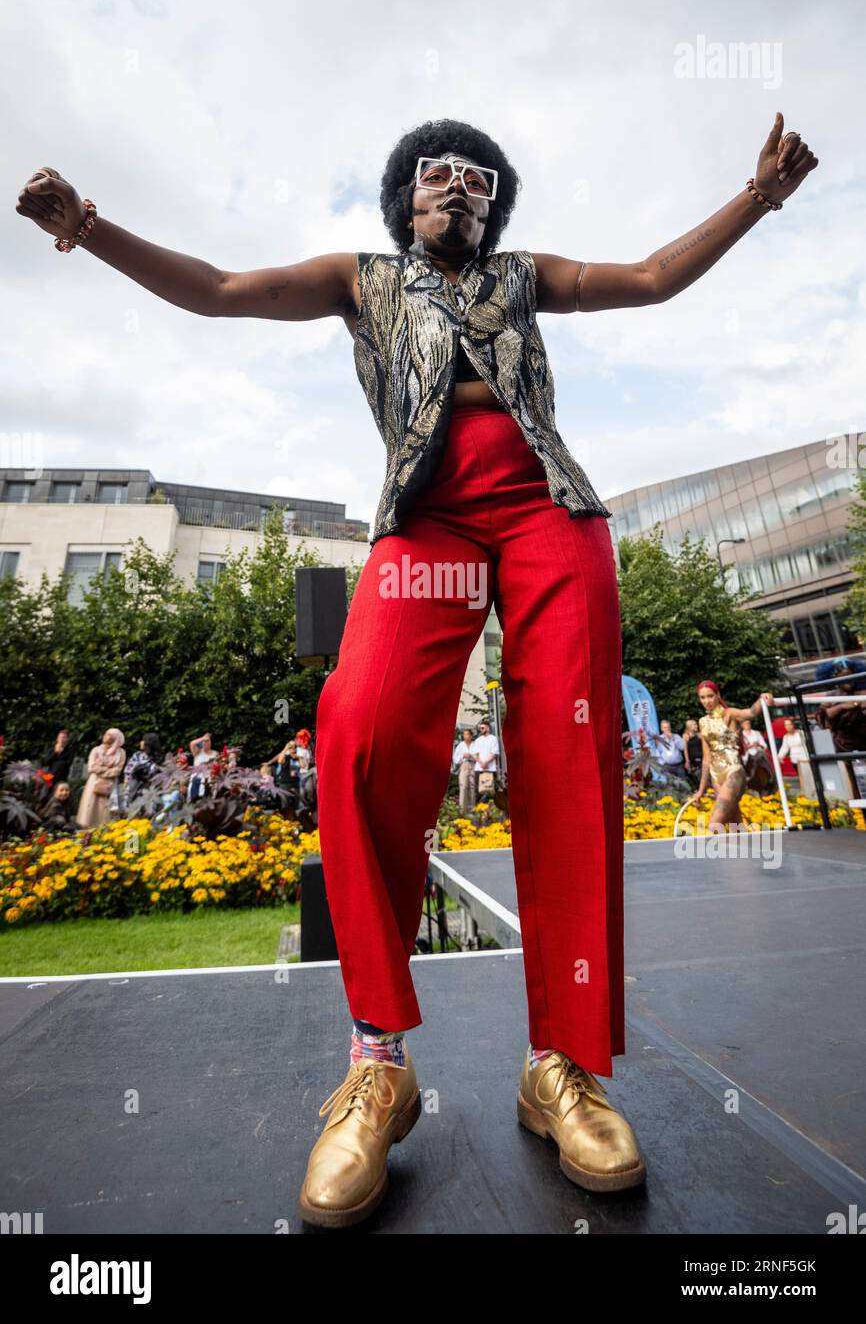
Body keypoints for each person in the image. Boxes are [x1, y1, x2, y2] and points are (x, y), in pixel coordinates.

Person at [16, 111, 819, 1225]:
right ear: (405, 196)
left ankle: (562, 1066)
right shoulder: (364, 279)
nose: (461, 189)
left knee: (567, 755)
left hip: (548, 513)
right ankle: (378, 1062)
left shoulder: (523, 278)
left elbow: (645, 277)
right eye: (440, 176)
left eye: (481, 181)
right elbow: (217, 288)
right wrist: (88, 228)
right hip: (427, 523)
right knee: (360, 728)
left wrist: (757, 198)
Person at [692, 682, 774, 830]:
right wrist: (701, 789)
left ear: (718, 696)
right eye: (702, 697)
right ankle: (748, 851)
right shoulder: (702, 722)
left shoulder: (729, 713)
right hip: (715, 776)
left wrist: (762, 699)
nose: (707, 701)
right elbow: (706, 758)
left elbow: (750, 712)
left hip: (733, 772)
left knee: (714, 825)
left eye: (710, 696)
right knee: (735, 825)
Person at [813, 658, 866, 799]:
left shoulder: (861, 692)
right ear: (835, 678)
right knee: (859, 788)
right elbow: (821, 717)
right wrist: (842, 706)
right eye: (843, 676)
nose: (848, 679)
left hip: (863, 742)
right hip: (846, 749)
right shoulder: (830, 697)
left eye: (850, 674)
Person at [76, 728, 126, 830]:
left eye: (108, 734)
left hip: (110, 786)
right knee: (90, 810)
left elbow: (117, 771)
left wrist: (101, 770)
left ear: (115, 738)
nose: (104, 736)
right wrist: (108, 771)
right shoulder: (96, 750)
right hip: (94, 783)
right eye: (105, 733)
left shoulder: (121, 753)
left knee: (105, 812)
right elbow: (91, 767)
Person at [124, 732, 163, 815]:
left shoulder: (159, 759)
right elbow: (128, 771)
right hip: (133, 788)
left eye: (143, 740)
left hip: (149, 791)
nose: (141, 742)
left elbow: (157, 777)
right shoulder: (137, 755)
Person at [776, 717, 814, 798]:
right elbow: (784, 747)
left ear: (793, 725)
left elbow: (808, 744)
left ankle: (812, 791)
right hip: (794, 760)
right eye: (785, 725)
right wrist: (779, 757)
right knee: (800, 777)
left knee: (808, 775)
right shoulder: (786, 737)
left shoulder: (801, 733)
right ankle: (804, 792)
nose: (787, 727)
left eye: (789, 724)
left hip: (805, 758)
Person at [452, 728, 479, 814]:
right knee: (463, 787)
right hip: (464, 765)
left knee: (472, 788)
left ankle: (472, 811)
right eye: (464, 734)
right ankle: (462, 811)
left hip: (474, 766)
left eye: (467, 734)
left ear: (471, 736)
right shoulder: (460, 745)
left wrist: (472, 756)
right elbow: (455, 758)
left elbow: (480, 755)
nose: (465, 736)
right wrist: (463, 755)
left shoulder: (475, 744)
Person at [471, 719, 499, 797]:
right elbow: (474, 754)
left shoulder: (493, 739)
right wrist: (481, 763)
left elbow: (494, 754)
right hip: (479, 769)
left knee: (490, 791)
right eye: (480, 728)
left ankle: (488, 808)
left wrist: (486, 763)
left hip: (490, 769)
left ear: (488, 728)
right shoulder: (478, 740)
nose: (481, 730)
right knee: (478, 791)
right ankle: (476, 808)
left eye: (483, 728)